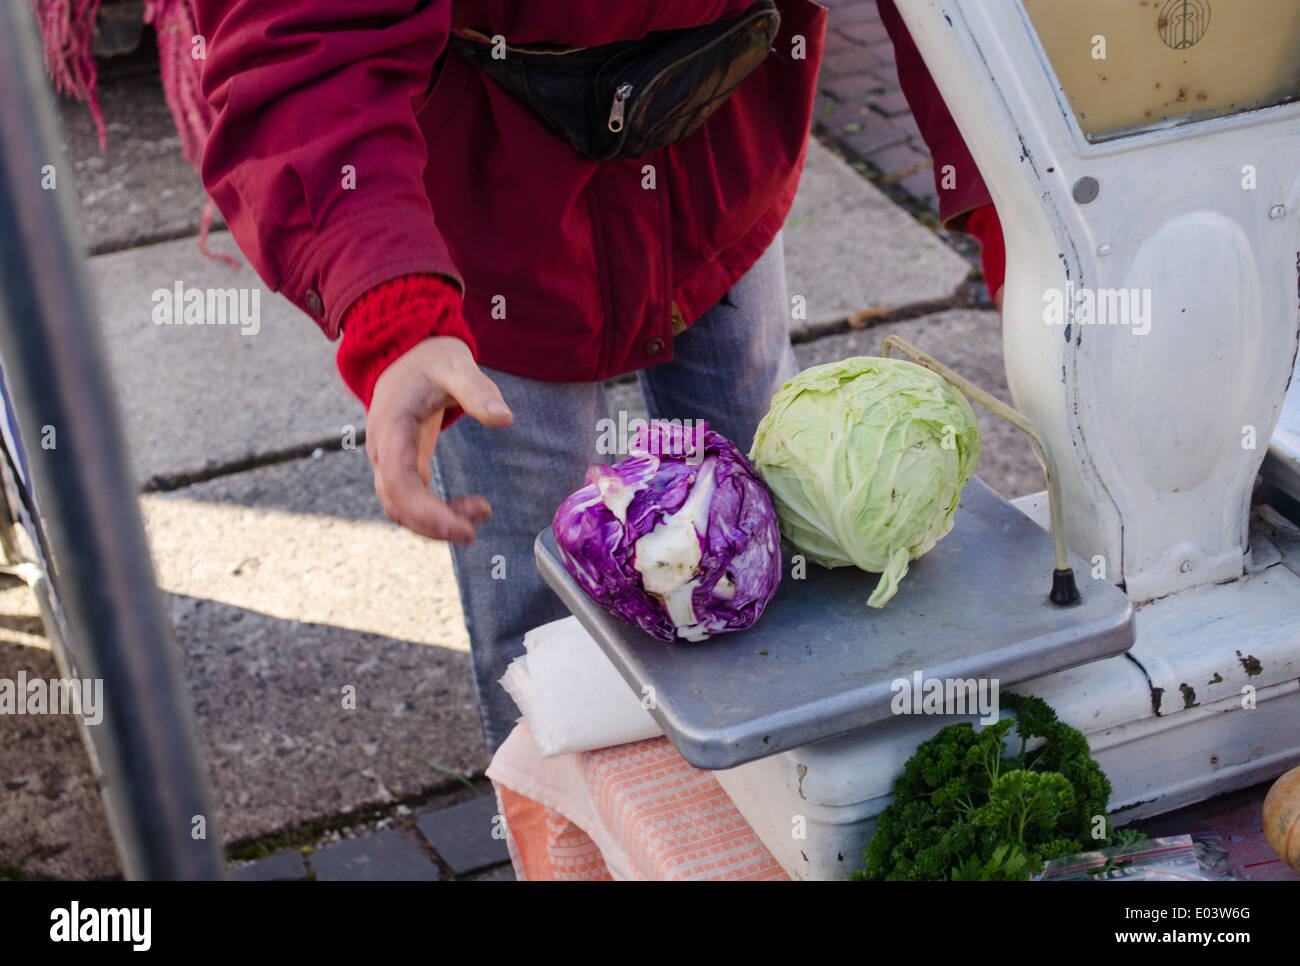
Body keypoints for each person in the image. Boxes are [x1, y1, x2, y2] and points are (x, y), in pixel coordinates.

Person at [195, 0, 1004, 753]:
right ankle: (571, 838)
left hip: (720, 162)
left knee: (769, 540)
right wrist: (393, 309)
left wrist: (1018, 202)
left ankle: (757, 807)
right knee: (543, 612)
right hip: (500, 219)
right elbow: (303, 36)